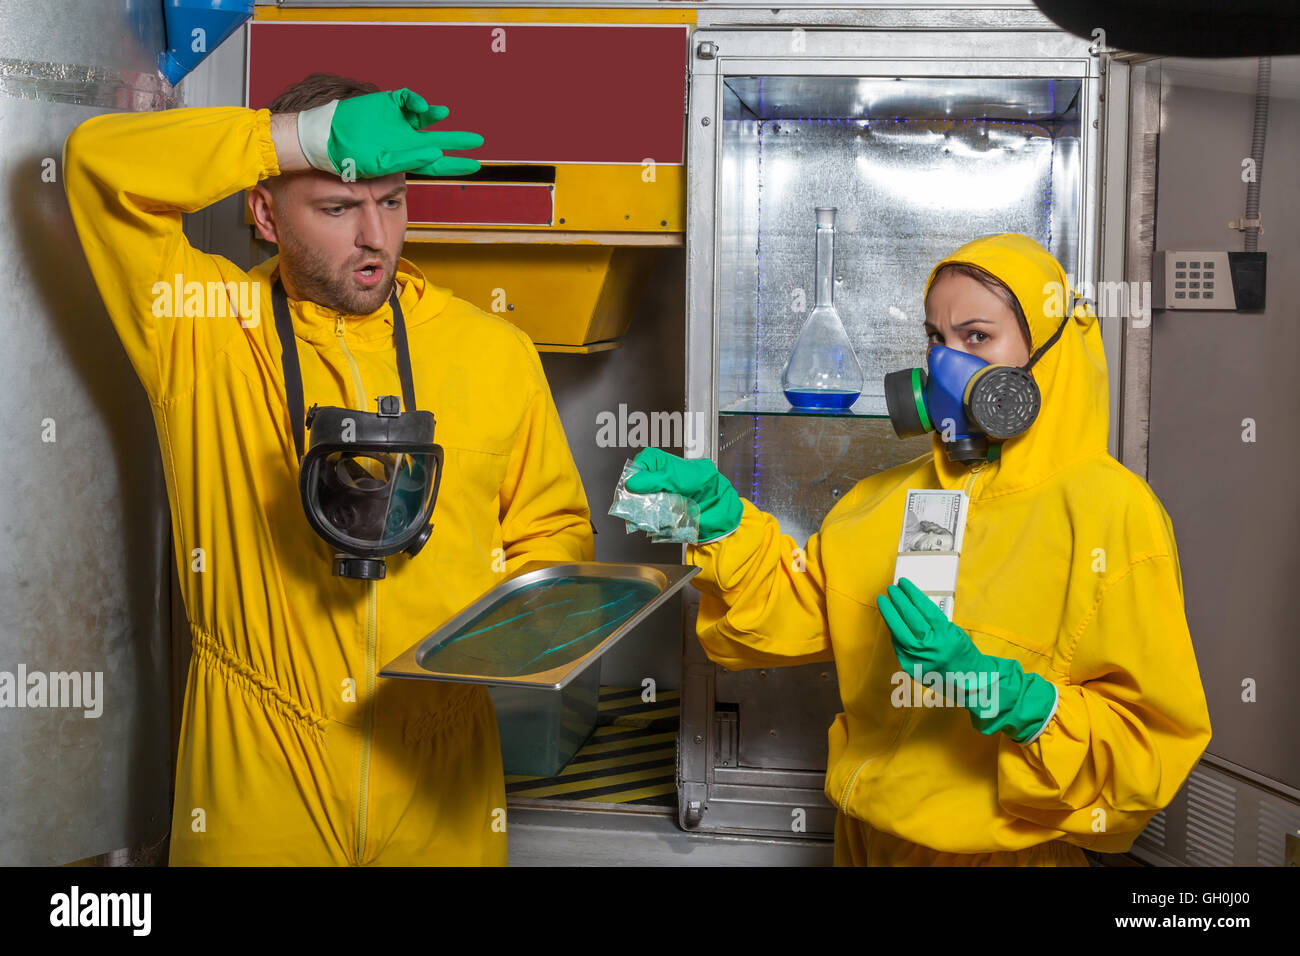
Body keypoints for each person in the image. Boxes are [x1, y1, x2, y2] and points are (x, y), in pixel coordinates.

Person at [62, 73, 594, 865]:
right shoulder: (202, 332)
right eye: (340, 207)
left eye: (392, 200)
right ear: (266, 213)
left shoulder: (493, 353)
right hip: (257, 767)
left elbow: (550, 535)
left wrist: (528, 631)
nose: (375, 236)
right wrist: (294, 137)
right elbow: (97, 164)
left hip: (441, 773)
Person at [628, 233, 1212, 866]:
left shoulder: (1110, 513)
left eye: (977, 338)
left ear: (1048, 357)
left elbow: (1150, 747)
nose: (943, 365)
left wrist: (1015, 699)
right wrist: (721, 522)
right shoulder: (888, 499)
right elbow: (786, 616)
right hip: (867, 841)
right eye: (936, 338)